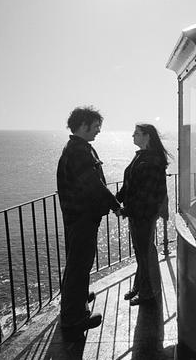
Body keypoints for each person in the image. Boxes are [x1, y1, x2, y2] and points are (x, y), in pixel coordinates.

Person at [57, 106, 121, 341]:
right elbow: (93, 184)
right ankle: (73, 318)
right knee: (79, 264)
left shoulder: (76, 148)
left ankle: (77, 300)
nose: (98, 132)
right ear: (83, 125)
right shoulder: (80, 152)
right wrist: (115, 205)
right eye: (95, 127)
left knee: (78, 262)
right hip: (82, 217)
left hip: (77, 216)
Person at [117, 123, 170, 307]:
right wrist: (118, 199)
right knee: (142, 251)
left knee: (145, 252)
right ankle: (140, 285)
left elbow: (144, 195)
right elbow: (130, 183)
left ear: (147, 136)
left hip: (144, 214)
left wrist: (125, 209)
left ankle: (148, 292)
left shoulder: (150, 160)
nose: (133, 135)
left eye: (137, 133)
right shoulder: (143, 157)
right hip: (139, 213)